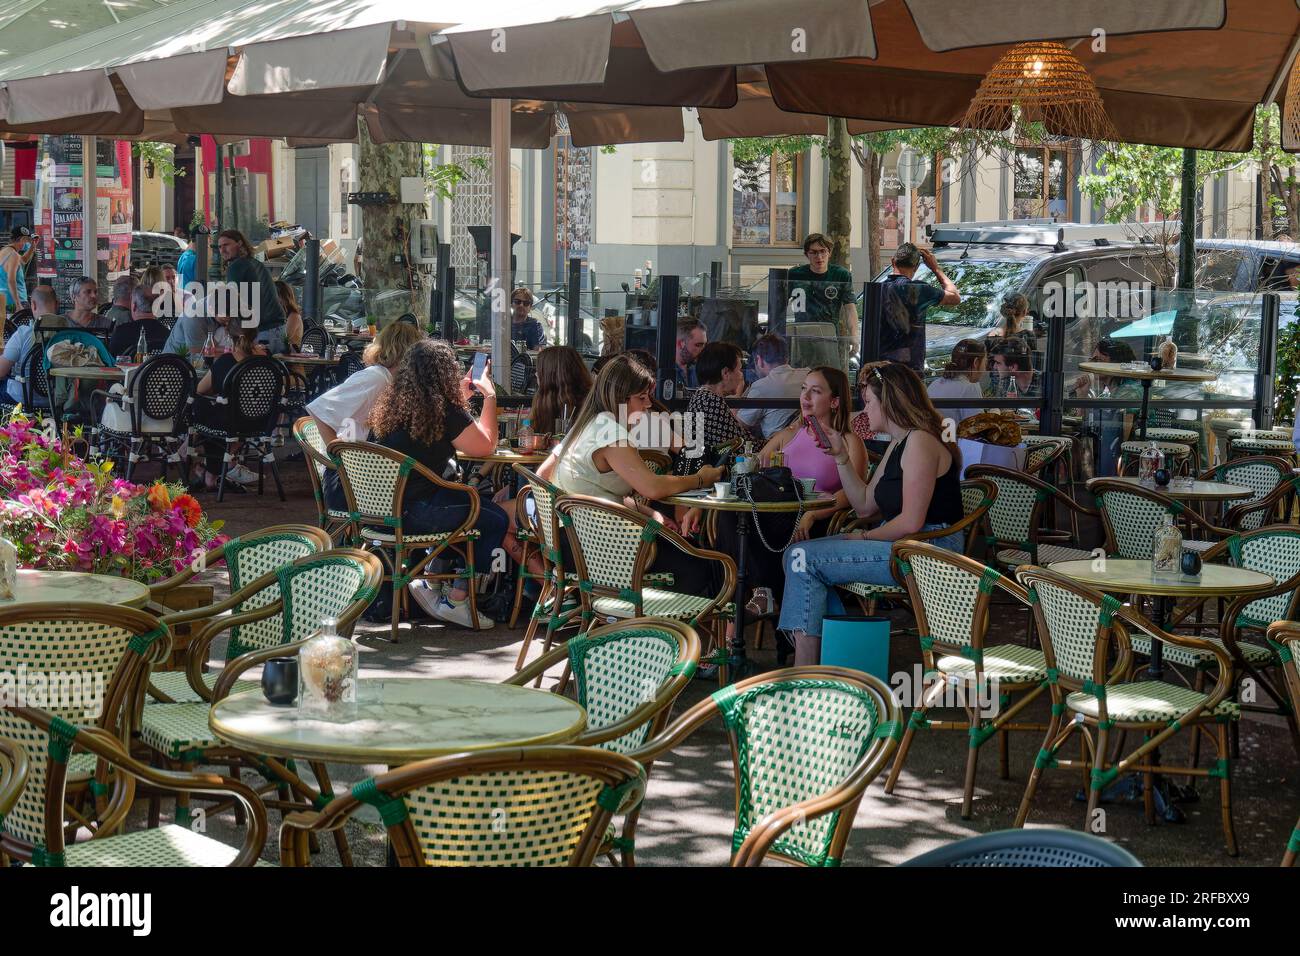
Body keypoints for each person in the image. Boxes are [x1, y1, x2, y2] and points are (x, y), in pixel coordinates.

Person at [778, 361, 964, 665]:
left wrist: (863, 535)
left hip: (927, 550)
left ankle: (809, 665)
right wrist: (840, 456)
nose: (864, 412)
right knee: (796, 555)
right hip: (901, 545)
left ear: (888, 402)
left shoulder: (919, 441)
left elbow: (911, 521)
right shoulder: (898, 443)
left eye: (868, 403)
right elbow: (864, 503)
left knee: (803, 560)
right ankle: (840, 654)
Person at [701, 366, 867, 663]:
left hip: (814, 525)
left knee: (742, 530)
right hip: (771, 525)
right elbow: (756, 473)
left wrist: (814, 515)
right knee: (730, 519)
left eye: (816, 391)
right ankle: (758, 598)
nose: (806, 396)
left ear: (835, 401)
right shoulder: (787, 436)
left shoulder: (849, 442)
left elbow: (852, 494)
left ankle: (743, 621)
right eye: (804, 389)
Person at [536, 354, 726, 600]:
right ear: (620, 398)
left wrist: (650, 513)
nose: (648, 404)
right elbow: (652, 487)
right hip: (597, 548)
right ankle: (655, 628)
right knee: (709, 565)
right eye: (641, 397)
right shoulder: (610, 433)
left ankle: (643, 623)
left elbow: (592, 491)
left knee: (695, 559)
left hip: (570, 542)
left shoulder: (588, 423)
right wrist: (702, 478)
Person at [369, 338, 506, 630]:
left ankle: (432, 582)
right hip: (415, 512)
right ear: (446, 372)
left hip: (378, 511)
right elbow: (485, 447)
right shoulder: (443, 411)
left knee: (470, 508)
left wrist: (461, 401)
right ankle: (456, 599)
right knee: (494, 518)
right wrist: (490, 397)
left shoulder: (393, 405)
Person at [307, 322, 425, 512]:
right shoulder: (376, 378)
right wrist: (341, 459)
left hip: (366, 478)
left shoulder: (392, 380)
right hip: (347, 485)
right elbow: (319, 410)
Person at [188, 332, 264, 493]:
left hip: (230, 424)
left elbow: (199, 390)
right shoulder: (267, 360)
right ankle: (213, 472)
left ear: (232, 338)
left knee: (200, 405)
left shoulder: (226, 361)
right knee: (219, 412)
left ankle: (193, 455)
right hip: (260, 422)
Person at [879, 242, 960, 369]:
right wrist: (935, 268)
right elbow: (955, 297)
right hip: (910, 368)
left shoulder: (878, 288)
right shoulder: (919, 290)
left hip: (879, 365)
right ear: (916, 267)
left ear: (892, 261)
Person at [676, 341, 749, 476]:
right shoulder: (709, 401)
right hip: (709, 479)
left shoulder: (702, 397)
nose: (741, 375)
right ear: (725, 373)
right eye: (739, 369)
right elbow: (740, 447)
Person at [1071, 337, 1139, 477]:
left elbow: (1120, 437)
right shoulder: (1107, 396)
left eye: (1099, 360)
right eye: (1093, 359)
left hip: (1123, 468)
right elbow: (1081, 424)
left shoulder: (1130, 391)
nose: (1092, 364)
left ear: (1117, 364)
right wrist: (1082, 395)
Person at [217, 229, 287, 353]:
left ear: (239, 243)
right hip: (279, 329)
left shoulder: (236, 266)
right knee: (273, 371)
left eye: (226, 245)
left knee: (252, 370)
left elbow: (231, 298)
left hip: (262, 331)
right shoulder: (256, 263)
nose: (222, 250)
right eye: (220, 246)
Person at [786, 234, 858, 353]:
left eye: (823, 251)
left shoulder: (841, 275)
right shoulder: (794, 274)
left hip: (829, 336)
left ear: (829, 252)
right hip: (801, 336)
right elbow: (780, 304)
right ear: (806, 254)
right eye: (813, 252)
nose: (819, 257)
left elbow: (850, 308)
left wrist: (854, 336)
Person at [737, 333, 809, 439]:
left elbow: (740, 425)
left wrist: (738, 394)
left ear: (759, 360)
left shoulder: (761, 386)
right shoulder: (809, 375)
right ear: (787, 358)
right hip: (810, 442)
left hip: (779, 449)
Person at [0, 285, 55, 404]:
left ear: (33, 305)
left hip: (21, 399)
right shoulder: (69, 334)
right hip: (56, 402)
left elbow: (1, 371)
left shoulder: (23, 334)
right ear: (58, 303)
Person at [528, 345, 591, 435]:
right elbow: (528, 427)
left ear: (552, 375)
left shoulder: (589, 405)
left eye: (540, 370)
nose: (536, 374)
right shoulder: (543, 399)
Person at [927, 338, 988, 428]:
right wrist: (996, 412)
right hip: (954, 441)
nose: (985, 369)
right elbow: (978, 428)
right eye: (985, 362)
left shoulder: (935, 383)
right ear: (976, 362)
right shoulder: (970, 387)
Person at [107, 286, 170, 357]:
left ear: (134, 306)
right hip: (158, 367)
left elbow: (111, 361)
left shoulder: (120, 333)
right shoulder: (168, 335)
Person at [0, 226, 35, 314]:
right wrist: (18, 304)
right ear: (22, 239)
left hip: (4, 301)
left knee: (7, 327)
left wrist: (33, 246)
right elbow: (11, 280)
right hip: (15, 302)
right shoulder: (14, 255)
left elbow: (23, 260)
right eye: (27, 240)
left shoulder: (4, 251)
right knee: (24, 327)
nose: (27, 243)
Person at [675, 317, 707, 390]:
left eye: (704, 345)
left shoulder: (697, 369)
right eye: (698, 345)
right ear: (681, 344)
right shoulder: (664, 372)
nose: (703, 350)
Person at [275, 280, 305, 352]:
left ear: (283, 297)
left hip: (290, 357)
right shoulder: (278, 314)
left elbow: (283, 339)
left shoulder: (293, 316)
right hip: (278, 354)